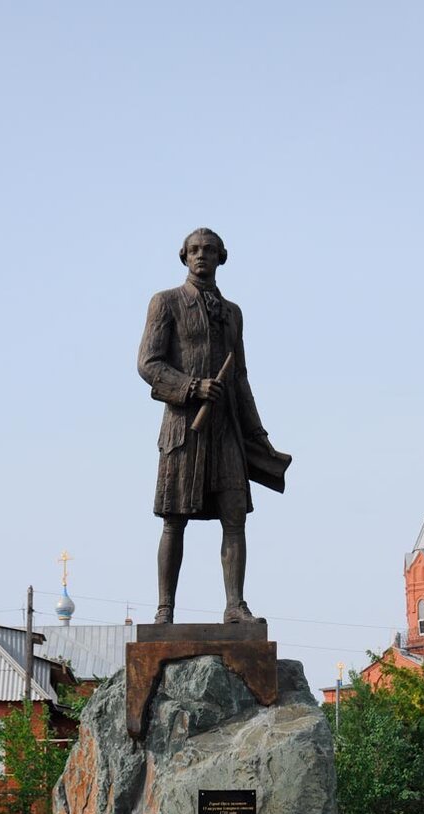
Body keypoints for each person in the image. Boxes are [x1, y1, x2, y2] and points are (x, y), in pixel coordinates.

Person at [138, 228, 290, 625]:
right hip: (183, 429)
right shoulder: (166, 302)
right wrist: (192, 387)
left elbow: (239, 378)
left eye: (209, 250)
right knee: (174, 519)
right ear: (184, 256)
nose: (201, 255)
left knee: (234, 516)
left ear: (222, 257)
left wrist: (260, 438)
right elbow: (148, 364)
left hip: (226, 432)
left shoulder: (233, 313)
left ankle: (235, 605)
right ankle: (164, 609)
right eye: (194, 250)